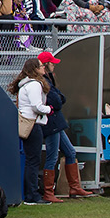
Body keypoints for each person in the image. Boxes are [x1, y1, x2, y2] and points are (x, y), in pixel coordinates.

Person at [38, 50, 92, 200]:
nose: (54, 67)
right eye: (52, 64)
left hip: (56, 123)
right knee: (52, 156)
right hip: (52, 123)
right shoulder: (44, 81)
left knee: (70, 152)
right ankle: (49, 192)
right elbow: (56, 100)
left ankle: (74, 187)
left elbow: (60, 98)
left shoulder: (48, 80)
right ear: (46, 65)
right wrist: (59, 100)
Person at [8, 57, 50, 205]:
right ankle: (32, 195)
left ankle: (30, 193)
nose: (44, 68)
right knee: (33, 160)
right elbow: (36, 106)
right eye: (41, 66)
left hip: (28, 123)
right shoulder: (34, 85)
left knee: (31, 160)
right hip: (32, 124)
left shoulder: (26, 84)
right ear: (35, 69)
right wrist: (48, 109)